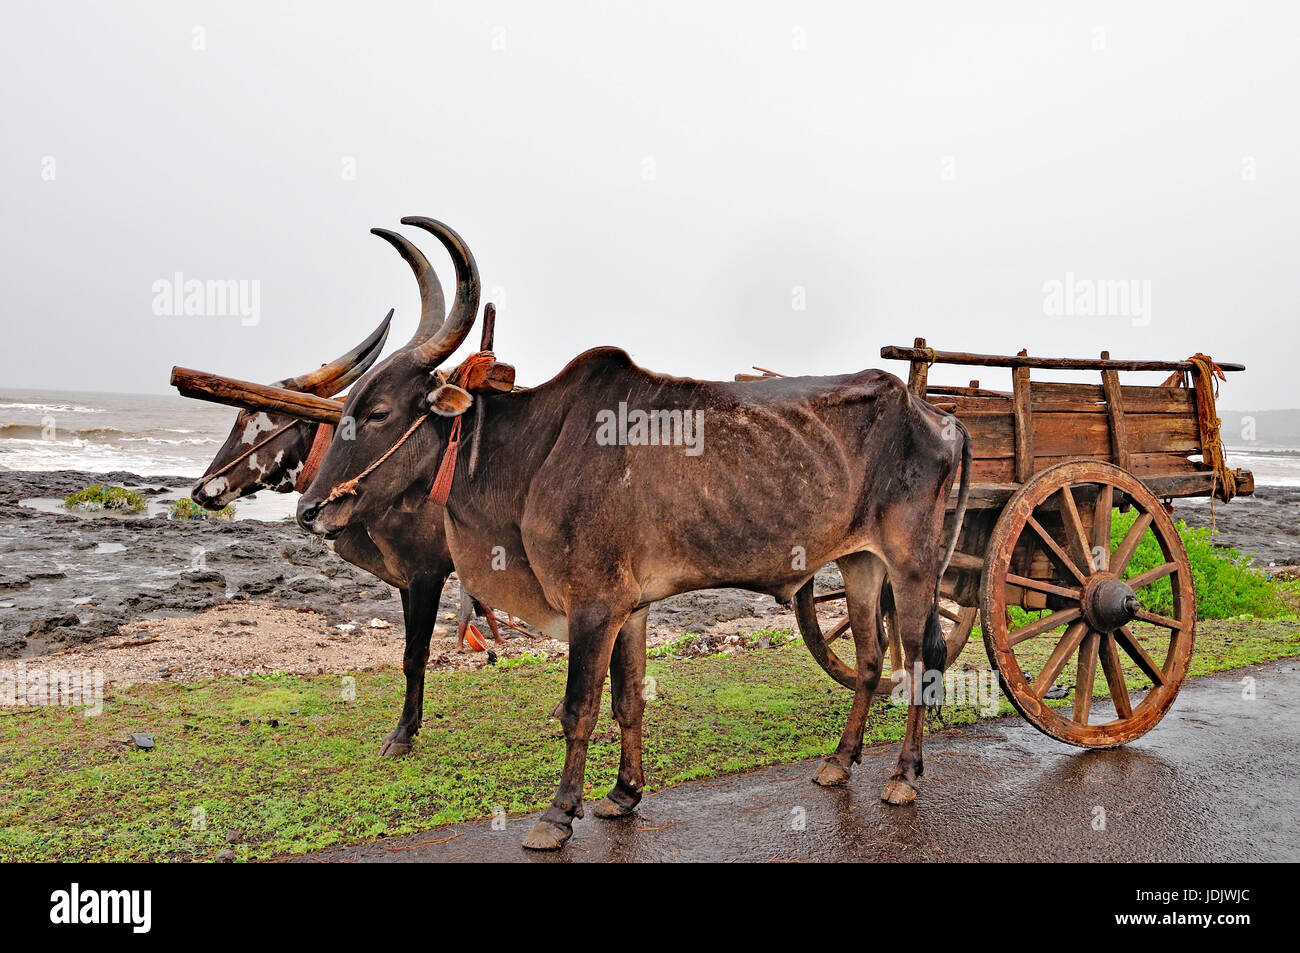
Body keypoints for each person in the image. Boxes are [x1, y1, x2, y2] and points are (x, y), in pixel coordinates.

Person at [456, 579, 507, 650]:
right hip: (467, 587)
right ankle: (460, 644)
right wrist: (488, 610)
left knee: (489, 612)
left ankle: (498, 639)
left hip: (483, 587)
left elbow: (507, 599)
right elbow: (480, 596)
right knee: (466, 614)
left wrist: (511, 619)